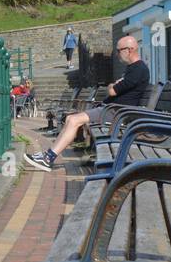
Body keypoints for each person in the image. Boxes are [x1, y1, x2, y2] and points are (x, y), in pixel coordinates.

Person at [24, 35, 148, 172]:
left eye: (119, 50)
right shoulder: (133, 69)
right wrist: (113, 86)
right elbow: (114, 88)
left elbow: (113, 91)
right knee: (71, 119)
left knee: (74, 120)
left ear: (129, 50)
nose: (118, 54)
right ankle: (48, 155)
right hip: (112, 110)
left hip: (117, 113)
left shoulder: (138, 69)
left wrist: (113, 86)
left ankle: (48, 158)